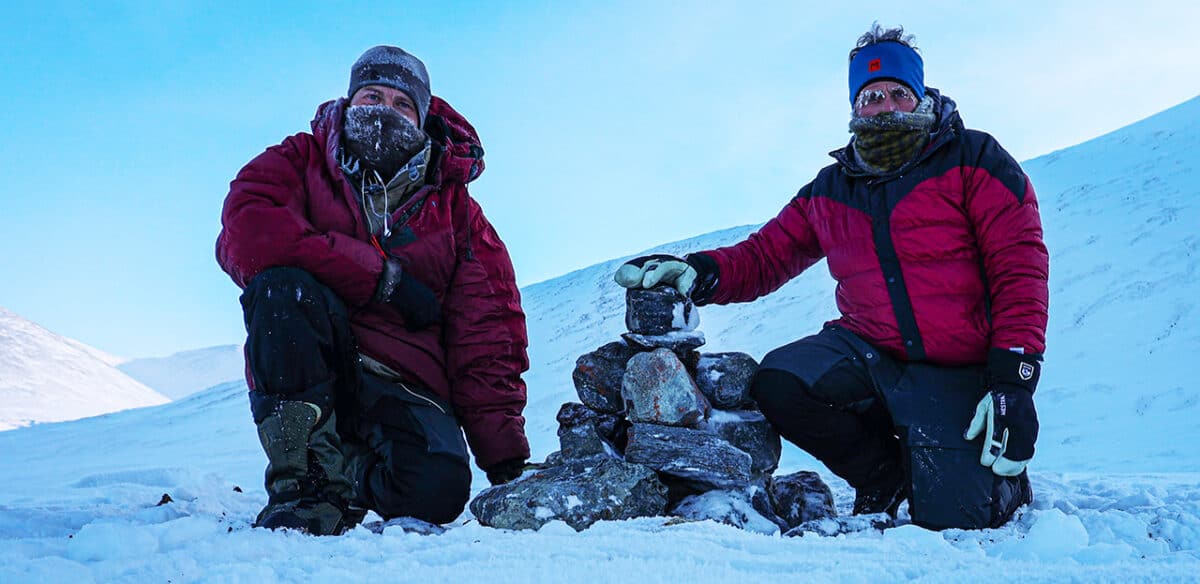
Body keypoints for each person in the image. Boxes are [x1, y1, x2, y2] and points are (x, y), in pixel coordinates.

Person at [614, 24, 1047, 530]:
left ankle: (996, 481)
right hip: (869, 353)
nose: (883, 105)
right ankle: (884, 476)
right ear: (854, 108)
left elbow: (1019, 267)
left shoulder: (974, 158)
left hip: (954, 367)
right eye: (870, 96)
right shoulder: (833, 187)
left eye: (897, 94)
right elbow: (764, 256)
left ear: (921, 96)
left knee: (958, 518)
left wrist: (1013, 381)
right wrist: (701, 270)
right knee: (780, 382)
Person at [216, 45, 531, 535]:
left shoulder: (460, 215)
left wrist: (504, 456)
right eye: (372, 95)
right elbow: (247, 235)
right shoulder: (298, 160)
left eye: (403, 103)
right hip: (314, 354)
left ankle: (347, 472)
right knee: (282, 290)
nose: (385, 110)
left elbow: (487, 333)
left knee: (436, 492)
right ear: (349, 101)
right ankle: (307, 490)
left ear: (423, 116)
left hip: (402, 378)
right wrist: (380, 278)